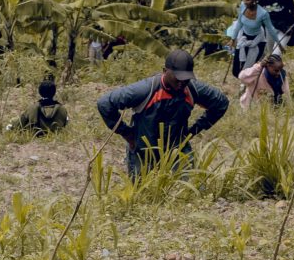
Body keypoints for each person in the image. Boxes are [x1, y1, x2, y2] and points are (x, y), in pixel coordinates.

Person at [97, 48, 230, 176]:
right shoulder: (145, 89)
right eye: (178, 78)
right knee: (142, 194)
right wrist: (127, 134)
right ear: (165, 71)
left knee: (190, 191)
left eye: (186, 78)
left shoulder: (192, 89)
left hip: (177, 148)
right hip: (144, 151)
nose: (182, 83)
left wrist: (195, 130)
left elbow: (221, 103)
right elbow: (105, 103)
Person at [227, 0, 288, 105]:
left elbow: (270, 29)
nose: (245, 1)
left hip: (257, 41)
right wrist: (233, 39)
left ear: (255, 0)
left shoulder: (263, 13)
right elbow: (239, 22)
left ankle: (246, 92)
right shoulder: (243, 7)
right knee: (236, 70)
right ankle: (244, 85)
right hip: (244, 39)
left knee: (249, 69)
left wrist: (279, 44)